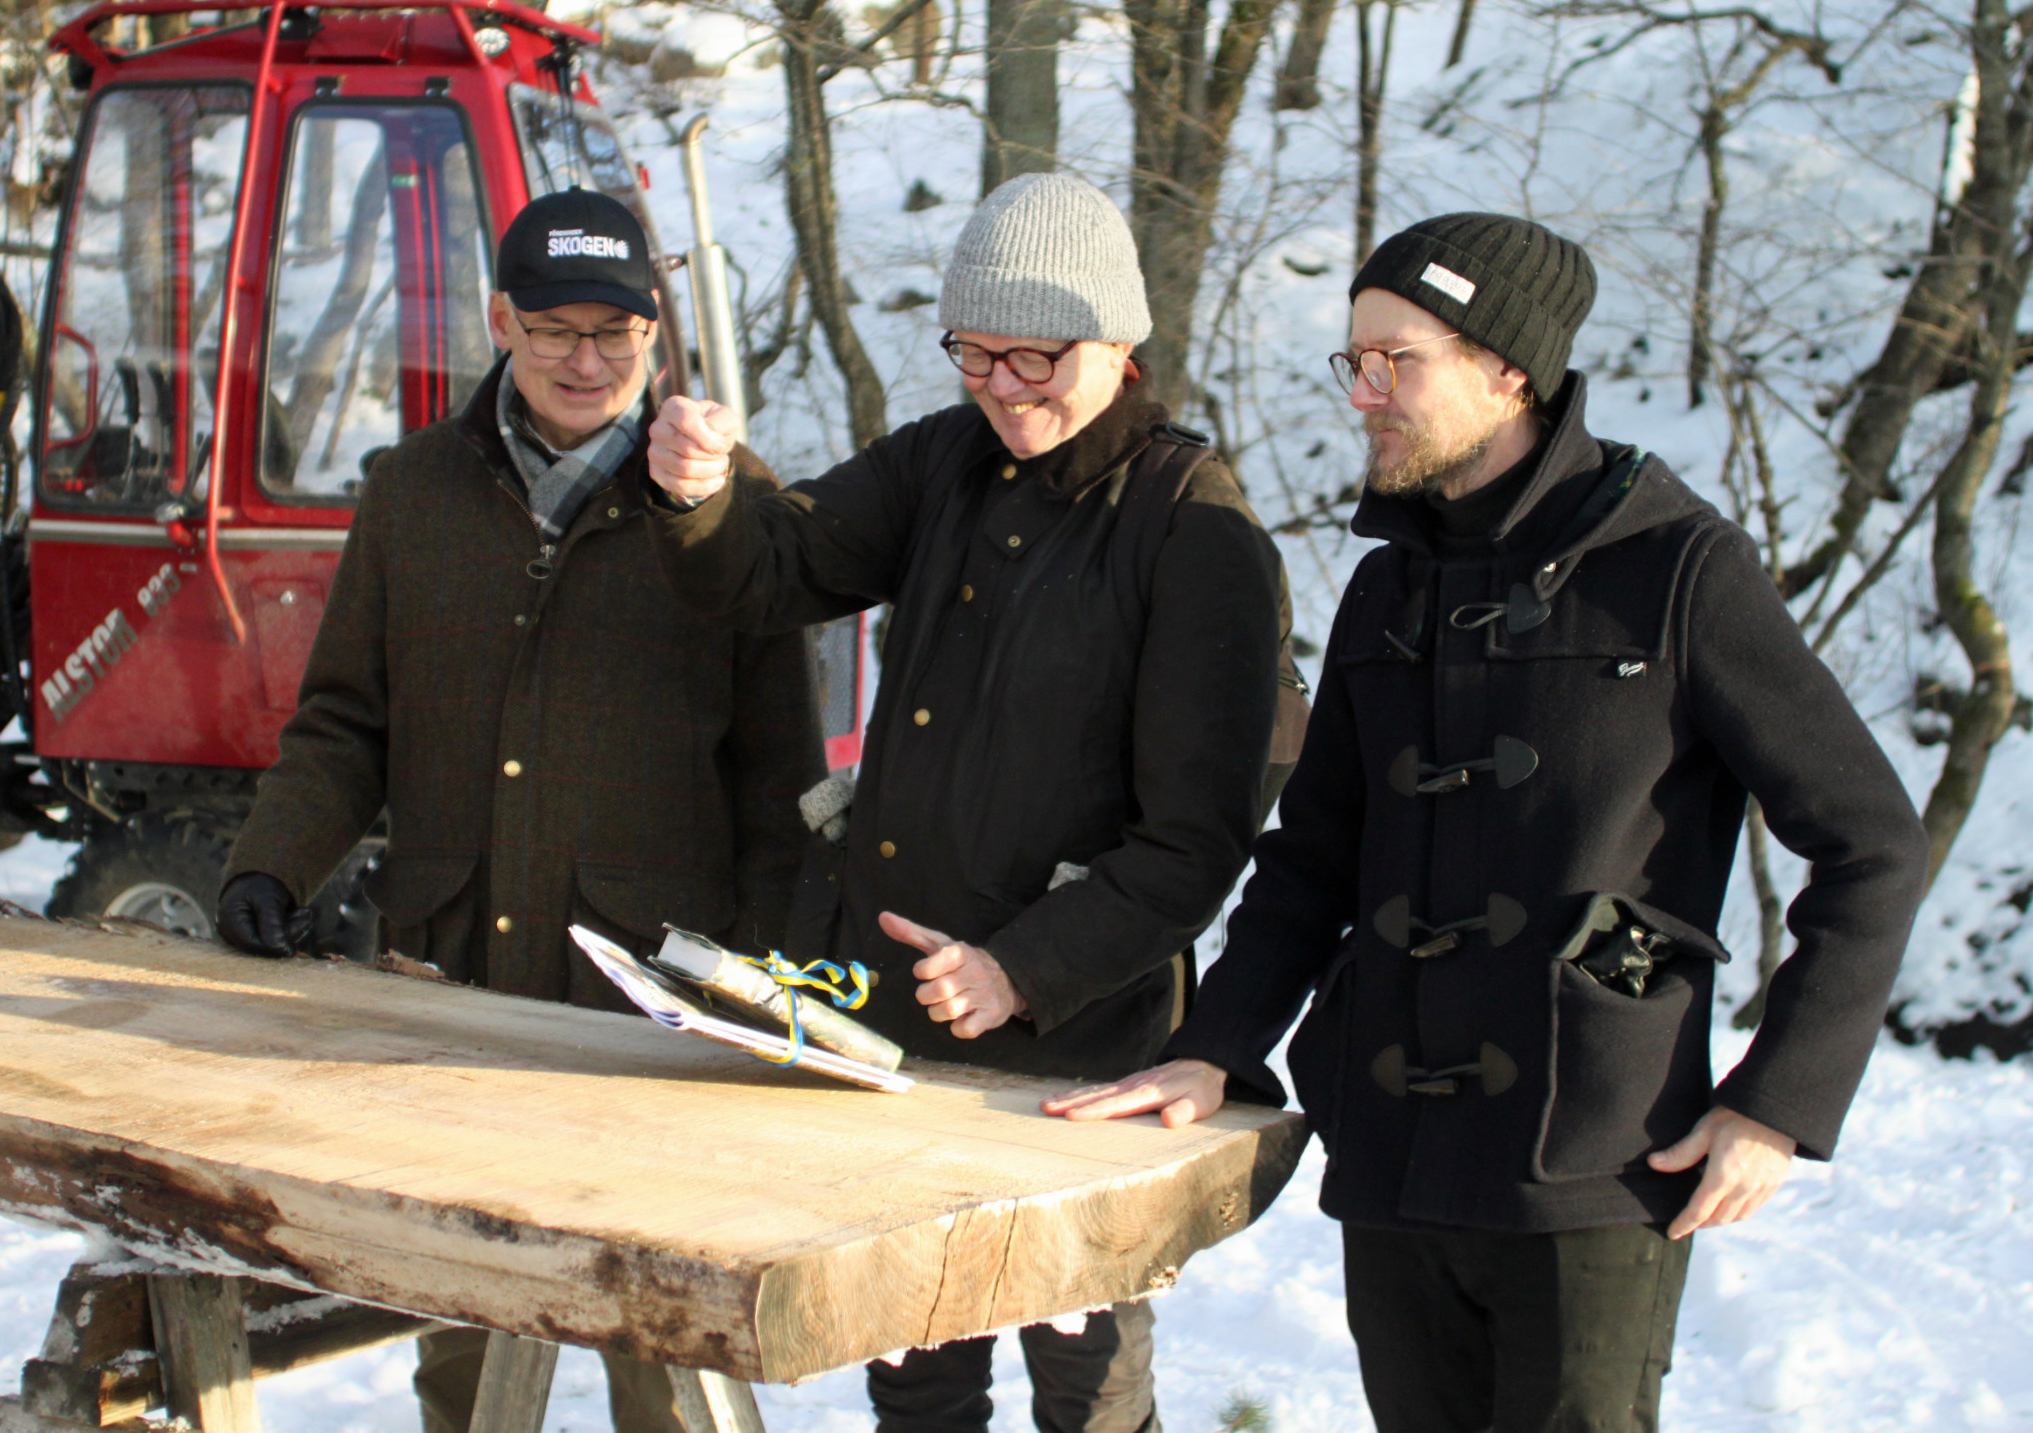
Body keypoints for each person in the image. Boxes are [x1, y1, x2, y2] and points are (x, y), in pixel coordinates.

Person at [1048, 213, 1928, 1433]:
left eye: (1393, 360)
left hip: (1596, 1166)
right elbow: (1311, 861)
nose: (1364, 394)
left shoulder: (1676, 570)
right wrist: (1220, 1042)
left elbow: (1871, 842)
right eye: (1352, 361)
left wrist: (1779, 1102)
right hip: (1392, 1159)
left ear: (1508, 368)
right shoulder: (1387, 586)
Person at [643, 171, 1286, 1433]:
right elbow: (777, 568)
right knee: (918, 1362)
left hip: (1082, 1053)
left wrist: (1023, 969)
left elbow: (1196, 841)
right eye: (973, 354)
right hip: (901, 1024)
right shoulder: (947, 459)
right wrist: (698, 495)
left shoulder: (1191, 528)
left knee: (1085, 1375)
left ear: (1119, 345)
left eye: (1034, 356)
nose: (1002, 387)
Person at [213, 186, 824, 1433]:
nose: (585, 361)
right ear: (500, 319)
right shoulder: (412, 492)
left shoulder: (727, 502)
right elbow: (346, 723)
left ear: (655, 337)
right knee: (464, 1330)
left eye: (615, 333)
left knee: (663, 1340)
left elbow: (776, 778)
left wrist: (767, 982)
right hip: (449, 977)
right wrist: (271, 865)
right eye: (553, 331)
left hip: (650, 1007)